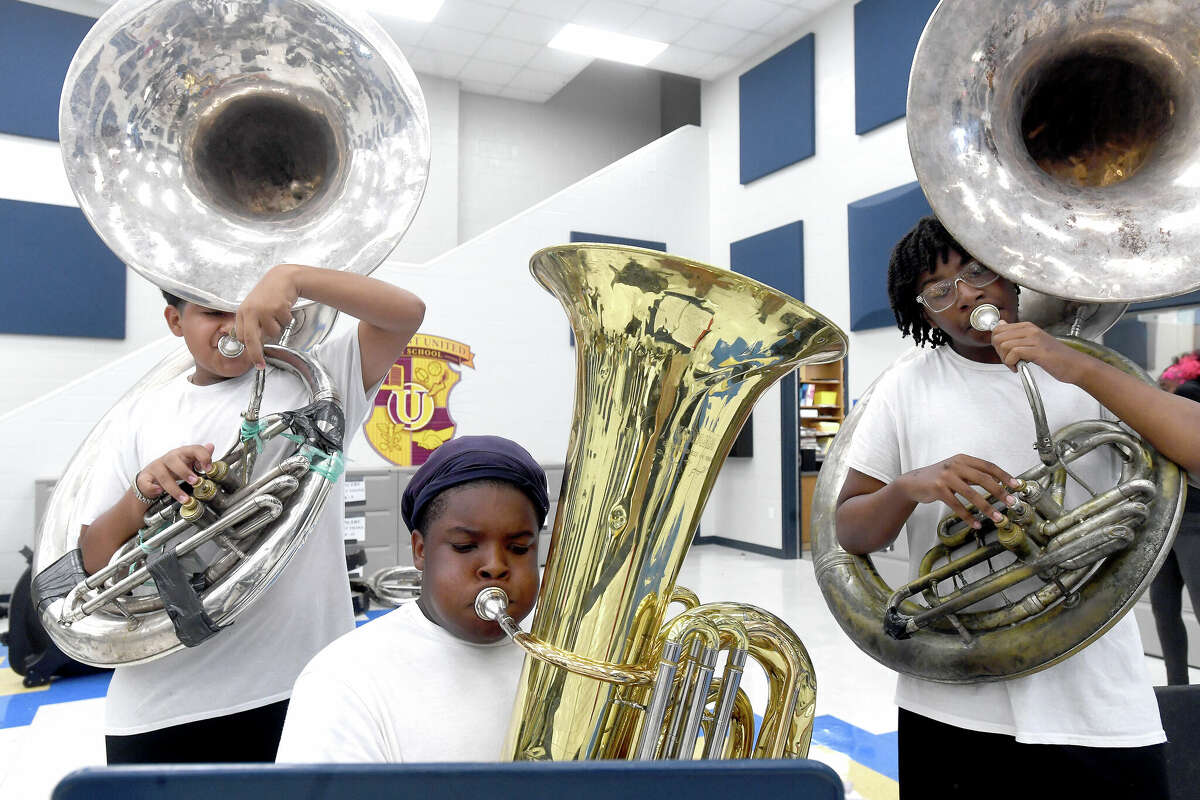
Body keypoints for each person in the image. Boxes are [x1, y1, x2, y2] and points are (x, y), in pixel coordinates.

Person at [835, 216, 1200, 798]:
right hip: (952, 699)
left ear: (1011, 274)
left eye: (979, 271)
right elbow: (850, 531)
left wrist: (1079, 366)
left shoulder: (1085, 367)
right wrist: (909, 486)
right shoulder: (907, 386)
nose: (967, 294)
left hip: (1095, 699)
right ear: (923, 314)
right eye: (939, 290)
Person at [76, 263, 425, 764]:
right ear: (175, 321)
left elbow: (406, 313)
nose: (235, 323)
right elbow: (91, 562)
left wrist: (293, 277)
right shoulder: (141, 415)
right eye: (212, 312)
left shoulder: (318, 382)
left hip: (306, 689)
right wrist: (143, 494)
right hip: (161, 705)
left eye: (244, 304)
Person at [275, 435, 548, 763]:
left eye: (519, 548)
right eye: (464, 546)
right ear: (420, 550)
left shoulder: (568, 652)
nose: (495, 566)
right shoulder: (344, 676)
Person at [1150, 352, 1200, 685]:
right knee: (1164, 610)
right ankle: (1177, 688)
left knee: (1166, 611)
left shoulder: (1188, 393)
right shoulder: (1185, 390)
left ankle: (1177, 685)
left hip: (1188, 519)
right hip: (1172, 519)